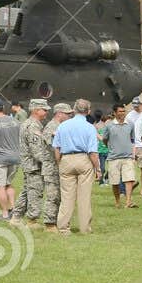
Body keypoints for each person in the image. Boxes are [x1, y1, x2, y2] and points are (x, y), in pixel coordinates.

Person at [53, 97, 101, 234]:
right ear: (88, 111)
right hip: (83, 159)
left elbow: (56, 147)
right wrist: (97, 168)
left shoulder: (62, 126)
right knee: (84, 196)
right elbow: (93, 152)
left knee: (67, 196)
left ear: (74, 110)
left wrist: (59, 162)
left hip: (66, 159)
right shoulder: (90, 128)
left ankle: (63, 228)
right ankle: (85, 228)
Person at [10, 99, 50, 224]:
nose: (46, 113)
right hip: (34, 165)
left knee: (27, 191)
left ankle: (16, 217)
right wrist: (48, 161)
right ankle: (32, 220)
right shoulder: (33, 125)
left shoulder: (28, 123)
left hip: (28, 164)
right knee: (35, 192)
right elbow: (36, 150)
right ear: (36, 110)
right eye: (44, 110)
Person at [38, 102, 69, 230]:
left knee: (60, 196)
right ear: (59, 113)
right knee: (53, 196)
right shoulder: (51, 127)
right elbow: (53, 147)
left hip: (58, 166)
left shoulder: (60, 126)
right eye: (67, 114)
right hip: (51, 168)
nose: (69, 116)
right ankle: (50, 224)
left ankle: (58, 221)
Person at [102, 103, 139, 208]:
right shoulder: (109, 125)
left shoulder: (131, 124)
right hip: (113, 158)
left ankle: (128, 202)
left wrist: (133, 154)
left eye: (124, 111)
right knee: (115, 182)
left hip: (127, 157)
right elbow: (105, 139)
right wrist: (111, 147)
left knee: (129, 179)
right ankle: (117, 201)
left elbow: (132, 140)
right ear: (114, 113)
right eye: (120, 111)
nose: (123, 113)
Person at [126, 97, 142, 184]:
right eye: (134, 106)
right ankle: (133, 182)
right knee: (128, 166)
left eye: (137, 106)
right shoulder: (130, 115)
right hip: (131, 144)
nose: (135, 108)